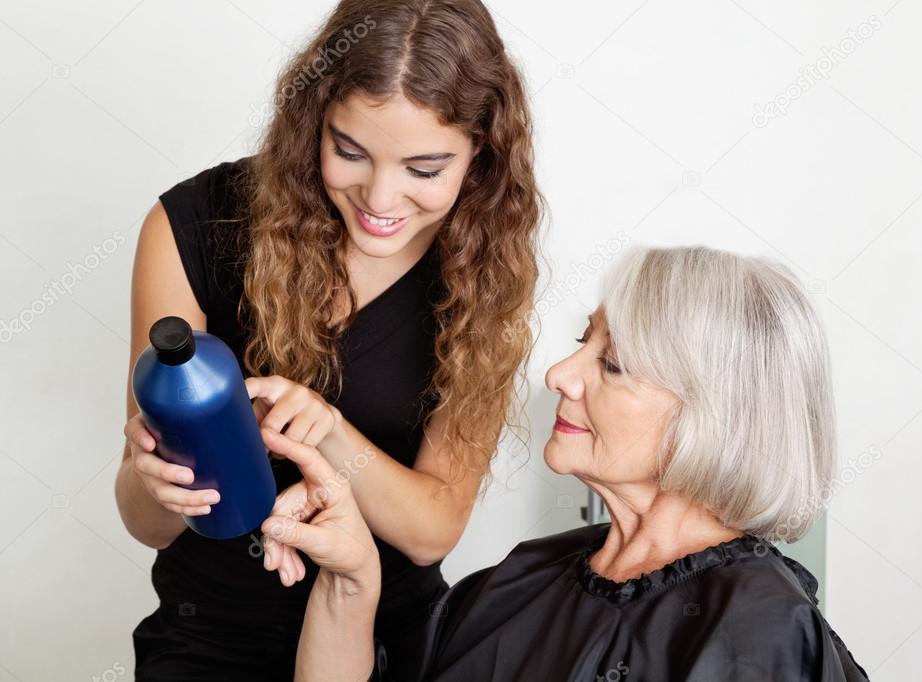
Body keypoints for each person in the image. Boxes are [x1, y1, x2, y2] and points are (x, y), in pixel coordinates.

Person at [114, 1, 543, 679]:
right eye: (349, 151)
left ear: (482, 152)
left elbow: (431, 530)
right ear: (312, 119)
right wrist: (150, 480)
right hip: (207, 639)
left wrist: (328, 434)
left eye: (424, 170)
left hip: (389, 638)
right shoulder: (192, 227)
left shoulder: (486, 268)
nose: (381, 197)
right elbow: (148, 524)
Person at [258, 245, 871, 681]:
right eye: (585, 342)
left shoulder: (759, 631)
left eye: (613, 363)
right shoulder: (527, 576)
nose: (558, 375)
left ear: (715, 413)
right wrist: (350, 577)